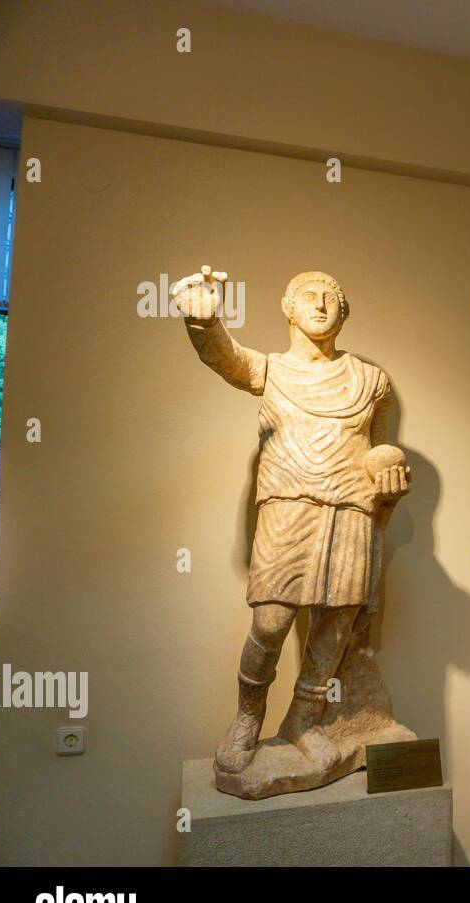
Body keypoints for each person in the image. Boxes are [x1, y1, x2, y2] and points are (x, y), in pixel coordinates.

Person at [173, 269, 411, 778]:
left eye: (332, 298)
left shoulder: (371, 381)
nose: (321, 304)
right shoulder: (273, 370)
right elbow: (226, 358)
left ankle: (304, 720)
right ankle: (247, 716)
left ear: (344, 313)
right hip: (288, 501)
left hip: (350, 507)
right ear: (288, 307)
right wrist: (202, 318)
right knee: (272, 620)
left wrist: (388, 465)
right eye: (309, 296)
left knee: (338, 621)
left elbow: (379, 446)